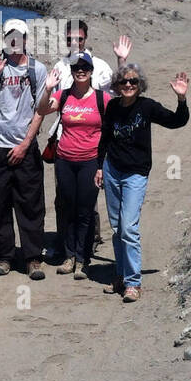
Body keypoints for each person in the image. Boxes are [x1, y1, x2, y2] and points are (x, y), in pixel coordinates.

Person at [97, 63, 190, 302]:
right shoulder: (112, 106)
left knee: (128, 227)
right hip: (112, 171)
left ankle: (133, 283)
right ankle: (121, 275)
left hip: (135, 174)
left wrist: (181, 99)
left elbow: (177, 121)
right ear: (117, 85)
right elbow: (104, 137)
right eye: (124, 81)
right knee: (117, 227)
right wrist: (99, 167)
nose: (128, 84)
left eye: (133, 81)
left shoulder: (146, 106)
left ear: (140, 85)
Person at [45, 21, 132, 260]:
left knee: (88, 201)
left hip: (91, 144)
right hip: (64, 141)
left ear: (86, 39)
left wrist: (121, 61)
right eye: (70, 39)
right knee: (64, 198)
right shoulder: (60, 67)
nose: (75, 43)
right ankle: (65, 245)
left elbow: (118, 92)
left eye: (79, 39)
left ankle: (88, 243)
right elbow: (51, 101)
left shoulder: (100, 66)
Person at [0, 18, 49, 279]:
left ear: (26, 39)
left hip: (24, 147)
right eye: (10, 36)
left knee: (30, 205)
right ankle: (5, 256)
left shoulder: (37, 69)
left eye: (19, 36)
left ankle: (32, 258)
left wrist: (25, 144)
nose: (14, 41)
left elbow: (41, 109)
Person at [36, 51, 106, 280]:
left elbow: (114, 123)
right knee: (67, 208)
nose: (80, 71)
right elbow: (42, 109)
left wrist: (105, 163)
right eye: (76, 68)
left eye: (85, 67)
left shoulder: (101, 98)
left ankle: (83, 259)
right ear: (72, 71)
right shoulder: (63, 95)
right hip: (64, 160)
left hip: (90, 161)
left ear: (91, 71)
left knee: (85, 211)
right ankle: (69, 256)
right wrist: (48, 89)